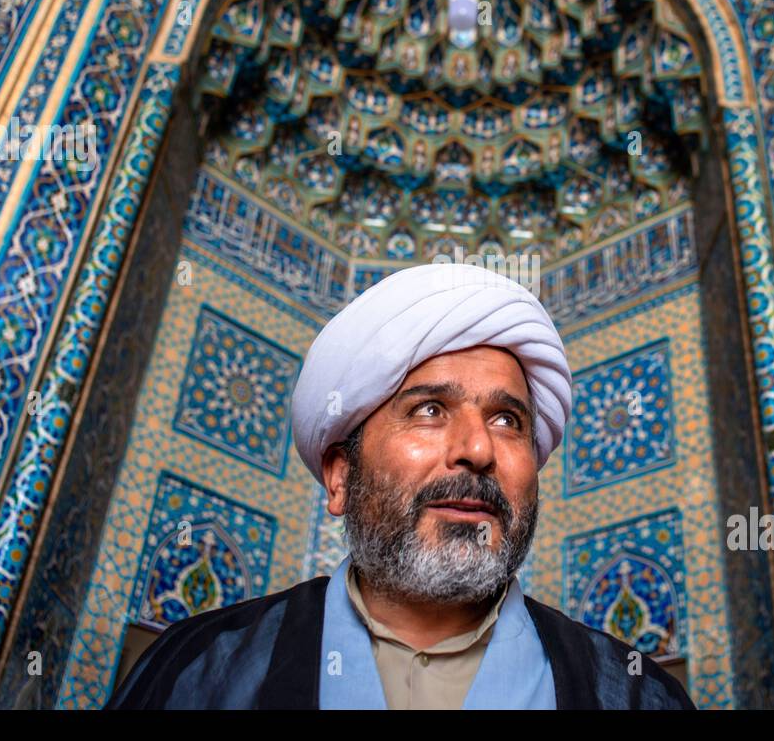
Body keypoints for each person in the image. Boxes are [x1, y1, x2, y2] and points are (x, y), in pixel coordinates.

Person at [107, 262, 694, 709]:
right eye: (430, 410)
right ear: (340, 476)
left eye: (506, 420)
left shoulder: (636, 694)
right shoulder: (194, 671)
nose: (477, 449)